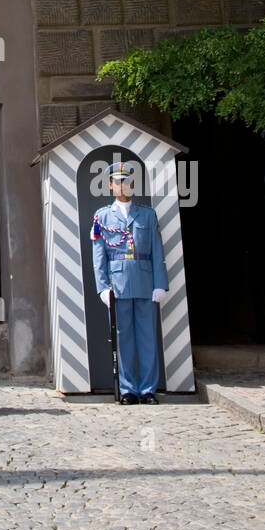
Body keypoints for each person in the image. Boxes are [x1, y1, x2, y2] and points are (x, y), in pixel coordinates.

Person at [91, 163, 169, 405]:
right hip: (118, 284)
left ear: (132, 185)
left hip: (145, 282)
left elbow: (157, 251)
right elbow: (99, 255)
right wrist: (102, 287)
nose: (122, 185)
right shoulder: (102, 216)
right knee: (122, 338)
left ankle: (147, 389)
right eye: (117, 181)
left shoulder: (147, 214)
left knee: (147, 337)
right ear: (111, 186)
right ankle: (127, 389)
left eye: (127, 181)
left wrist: (160, 284)